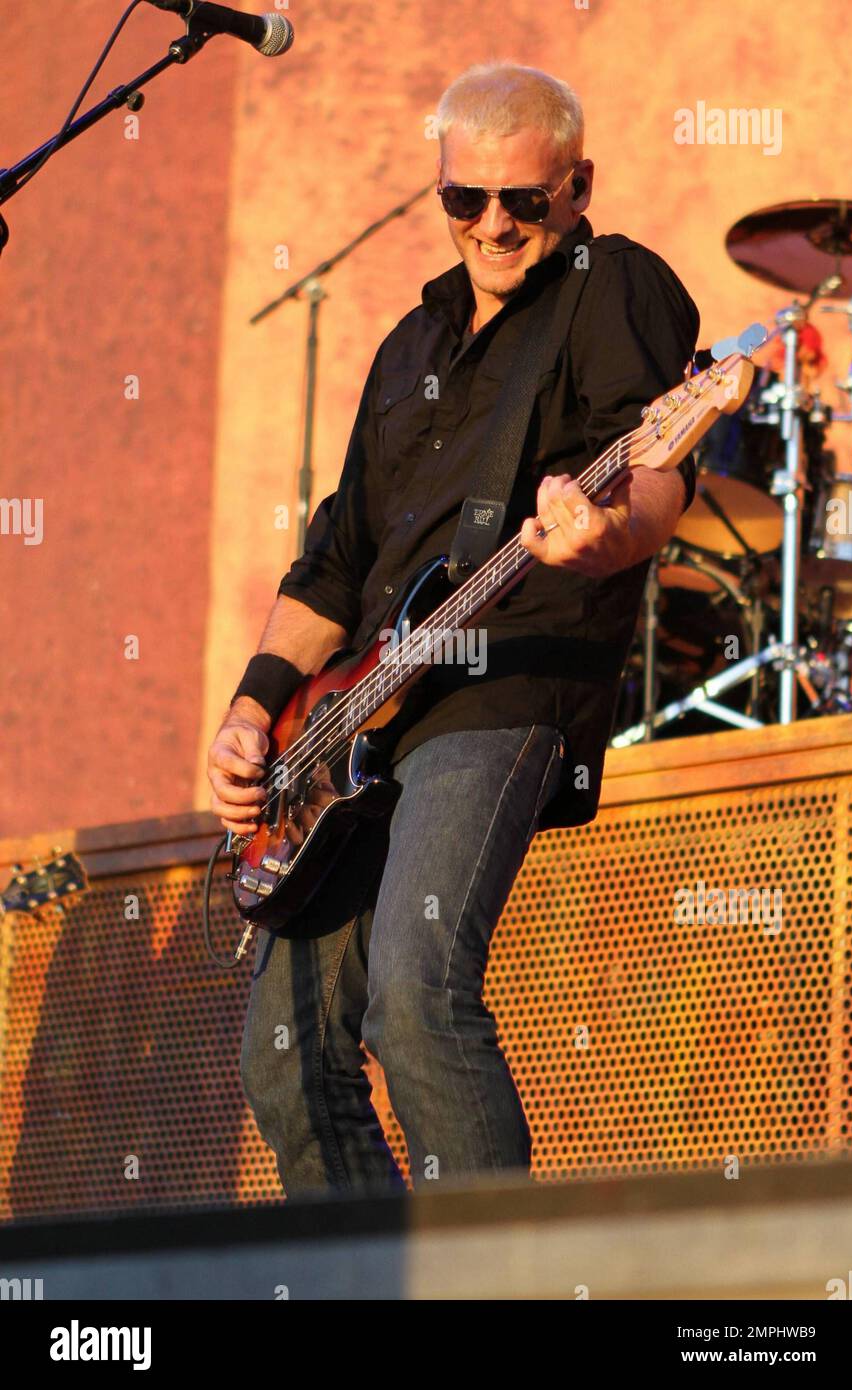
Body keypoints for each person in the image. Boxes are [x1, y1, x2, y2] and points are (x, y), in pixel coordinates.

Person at [206, 61, 700, 1194]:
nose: (491, 225)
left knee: (414, 993)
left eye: (521, 201)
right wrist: (250, 709)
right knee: (285, 1062)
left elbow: (657, 476)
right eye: (463, 200)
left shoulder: (609, 285)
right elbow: (335, 559)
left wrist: (602, 532)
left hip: (501, 682)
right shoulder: (407, 347)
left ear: (575, 187)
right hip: (350, 720)